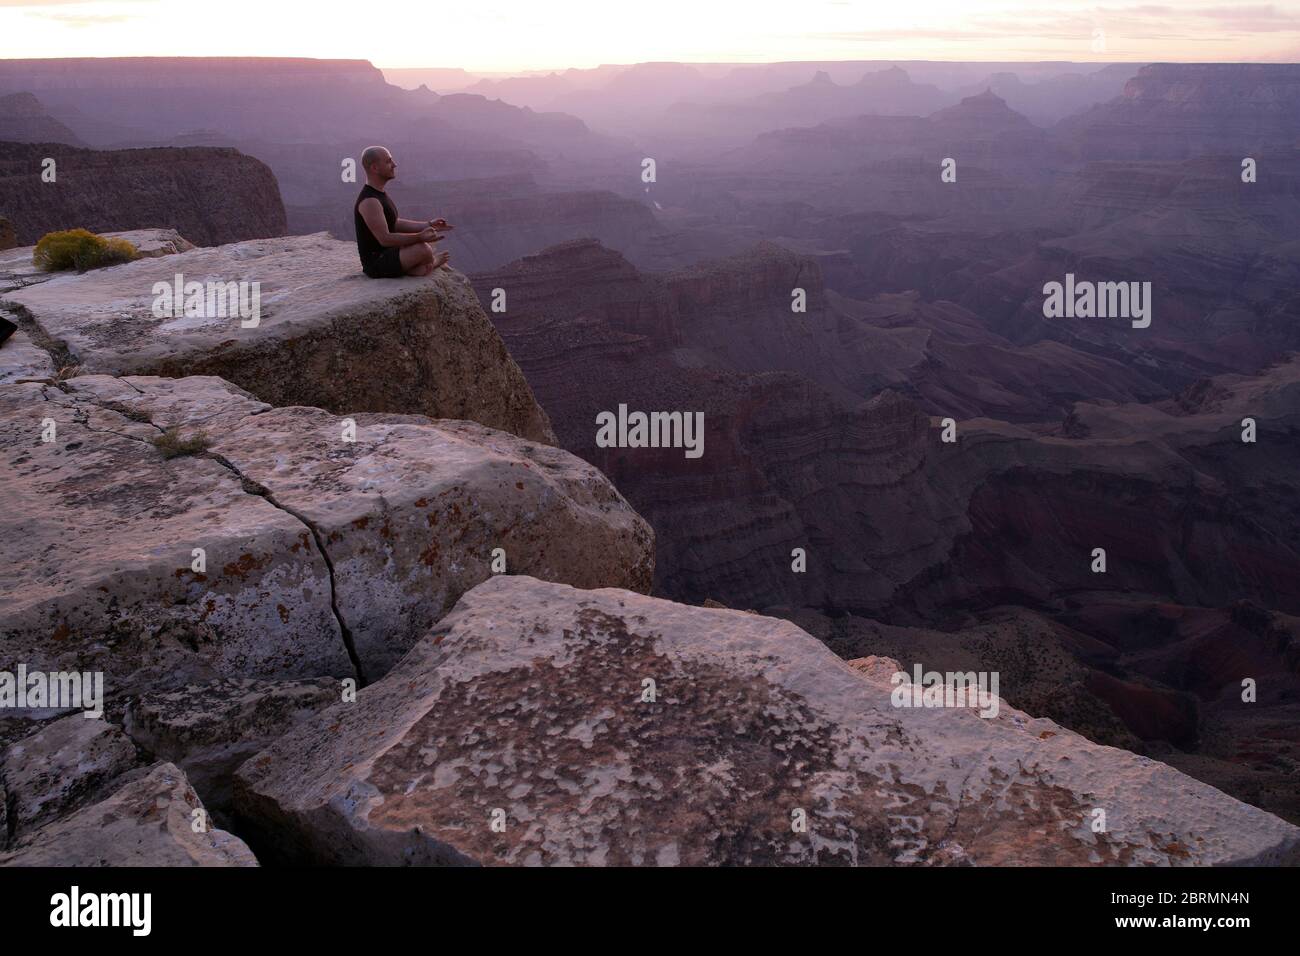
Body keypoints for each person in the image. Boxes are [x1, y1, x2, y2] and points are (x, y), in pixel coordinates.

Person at [354, 146, 453, 278]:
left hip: (388, 253)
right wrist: (419, 237)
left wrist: (428, 225)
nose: (394, 165)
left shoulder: (378, 194)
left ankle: (414, 269)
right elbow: (385, 239)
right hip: (376, 263)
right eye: (388, 161)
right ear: (375, 168)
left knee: (421, 247)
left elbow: (393, 223)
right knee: (423, 249)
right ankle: (432, 263)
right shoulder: (370, 201)